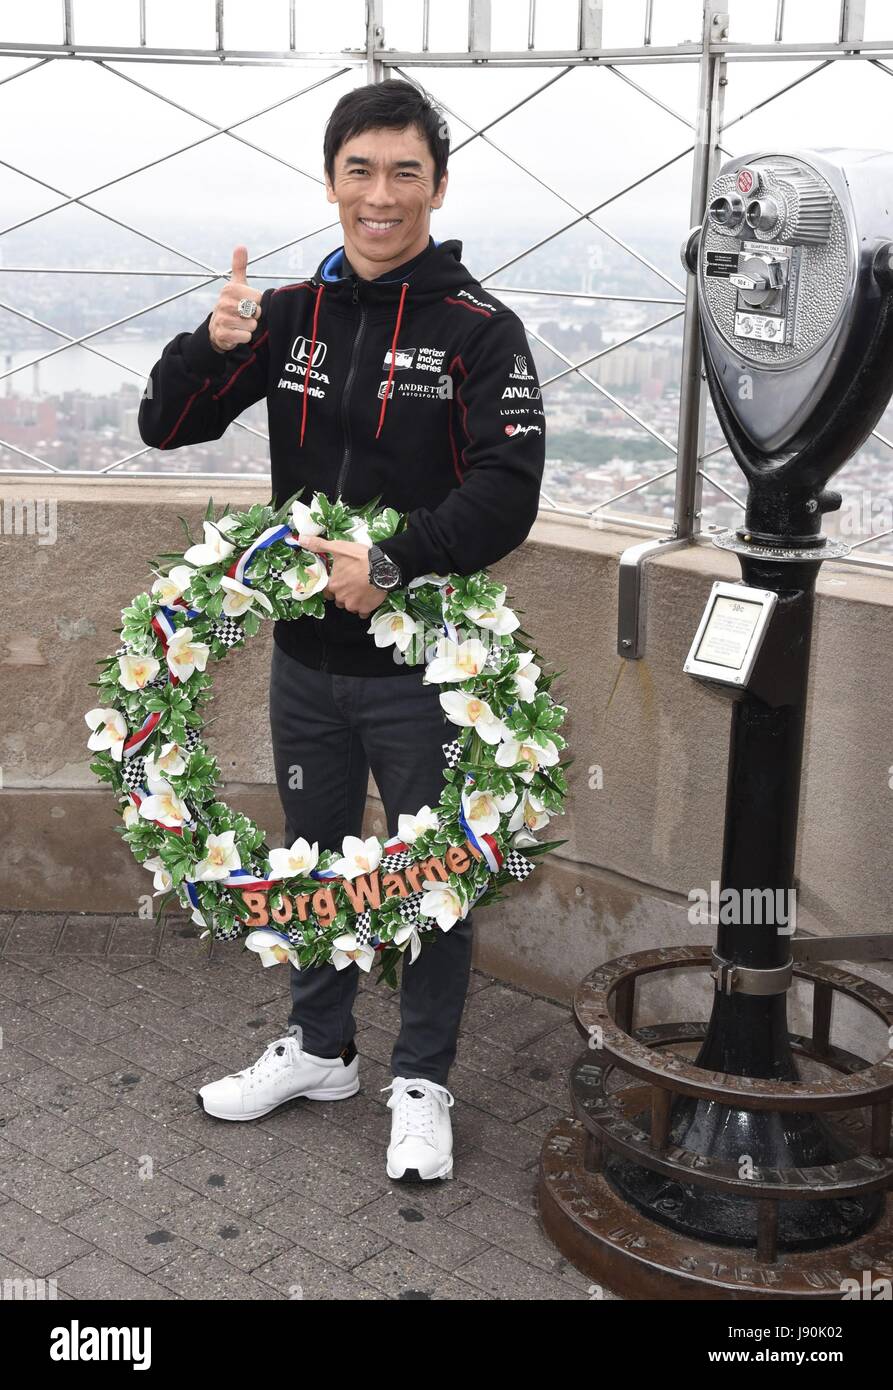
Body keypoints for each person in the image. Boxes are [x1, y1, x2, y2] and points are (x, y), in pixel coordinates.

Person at [137, 78, 546, 1183]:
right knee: (312, 860)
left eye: (403, 172)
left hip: (429, 674)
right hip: (306, 662)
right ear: (331, 184)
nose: (379, 196)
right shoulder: (283, 314)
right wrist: (209, 346)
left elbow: (509, 491)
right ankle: (320, 1049)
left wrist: (398, 562)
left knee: (427, 875)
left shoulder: (478, 329)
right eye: (358, 171)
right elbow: (164, 425)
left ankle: (421, 1080)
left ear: (437, 185)